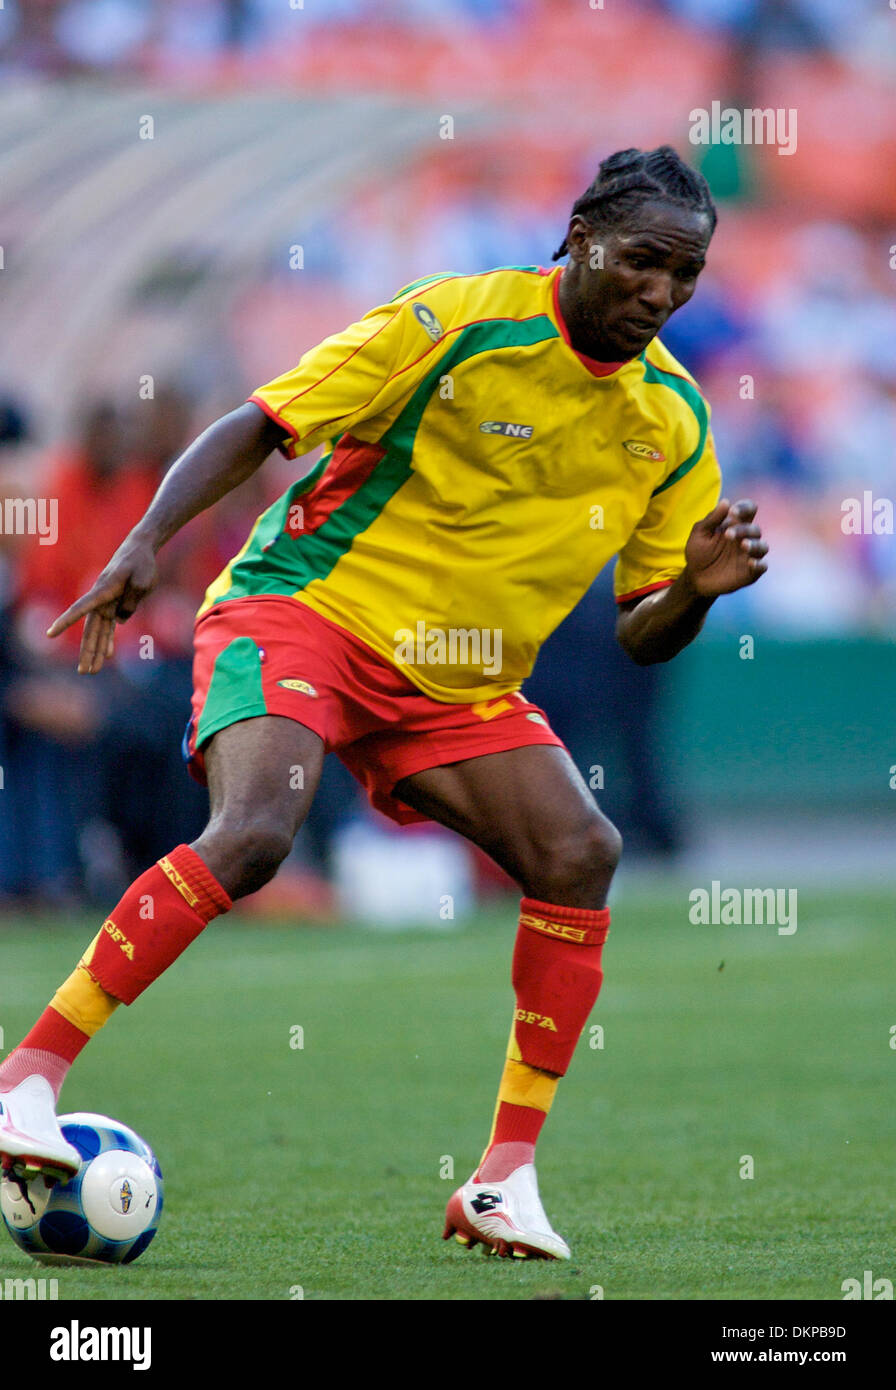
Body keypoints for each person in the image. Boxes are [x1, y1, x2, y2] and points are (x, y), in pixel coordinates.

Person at [0, 146, 767, 1261]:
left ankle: (502, 1179)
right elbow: (264, 423)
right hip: (306, 609)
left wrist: (691, 589)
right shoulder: (454, 322)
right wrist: (145, 545)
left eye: (683, 274)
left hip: (451, 684)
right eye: (642, 260)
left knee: (578, 849)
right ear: (581, 236)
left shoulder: (673, 422)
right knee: (258, 834)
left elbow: (638, 633)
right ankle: (28, 1076)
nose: (659, 291)